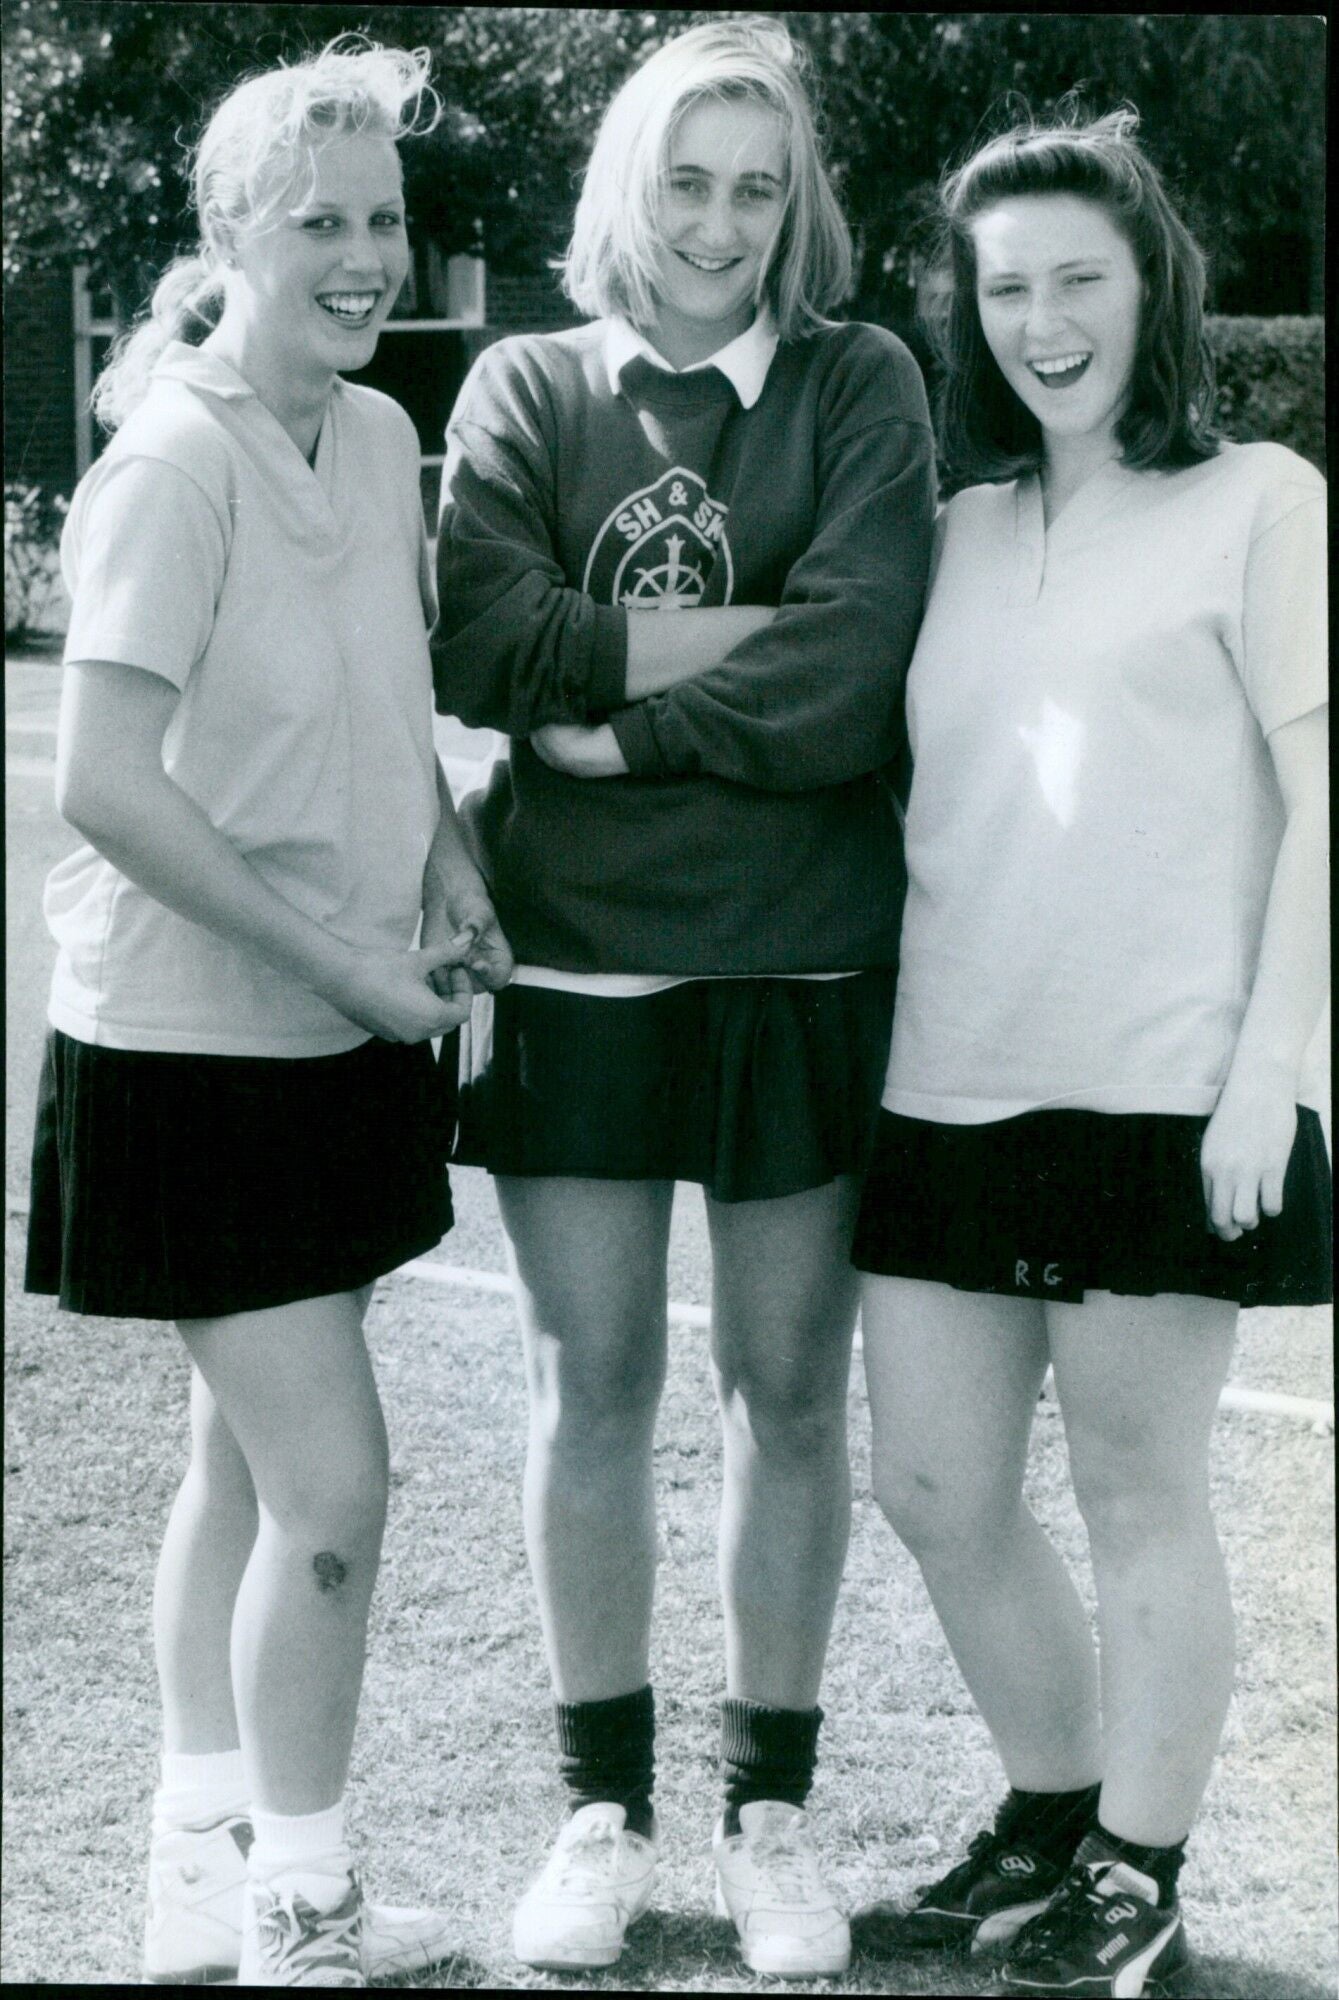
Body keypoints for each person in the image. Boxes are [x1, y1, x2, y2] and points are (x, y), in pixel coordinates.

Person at [432, 15, 935, 1980]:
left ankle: (770, 1809)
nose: (721, 222)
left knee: (788, 1387)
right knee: (594, 1383)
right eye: (686, 176)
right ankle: (600, 1808)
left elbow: (857, 662)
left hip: (801, 956)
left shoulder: (860, 379)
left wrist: (617, 724)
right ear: (627, 183)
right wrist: (751, 645)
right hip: (574, 965)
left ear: (791, 199)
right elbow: (489, 637)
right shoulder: (525, 385)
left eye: (756, 182)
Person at [23, 38, 512, 1989]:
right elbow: (107, 782)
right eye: (319, 219)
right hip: (192, 1057)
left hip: (342, 1034)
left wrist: (449, 868)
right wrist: (343, 964)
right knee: (333, 1490)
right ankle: (302, 1909)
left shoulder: (384, 436)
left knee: (241, 1469)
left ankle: (195, 1878)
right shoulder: (170, 459)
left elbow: (383, 707)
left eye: (384, 217)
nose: (363, 252)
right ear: (229, 231)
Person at [851, 106, 1330, 2000]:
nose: (1044, 321)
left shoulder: (1263, 500)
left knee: (1143, 1494)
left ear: (1154, 292)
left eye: (1081, 281)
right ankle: (1050, 1812)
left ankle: (1143, 1868)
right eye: (1008, 286)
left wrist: (1270, 1069)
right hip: (949, 1072)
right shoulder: (957, 529)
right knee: (940, 1489)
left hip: (1166, 1091)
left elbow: (1324, 798)